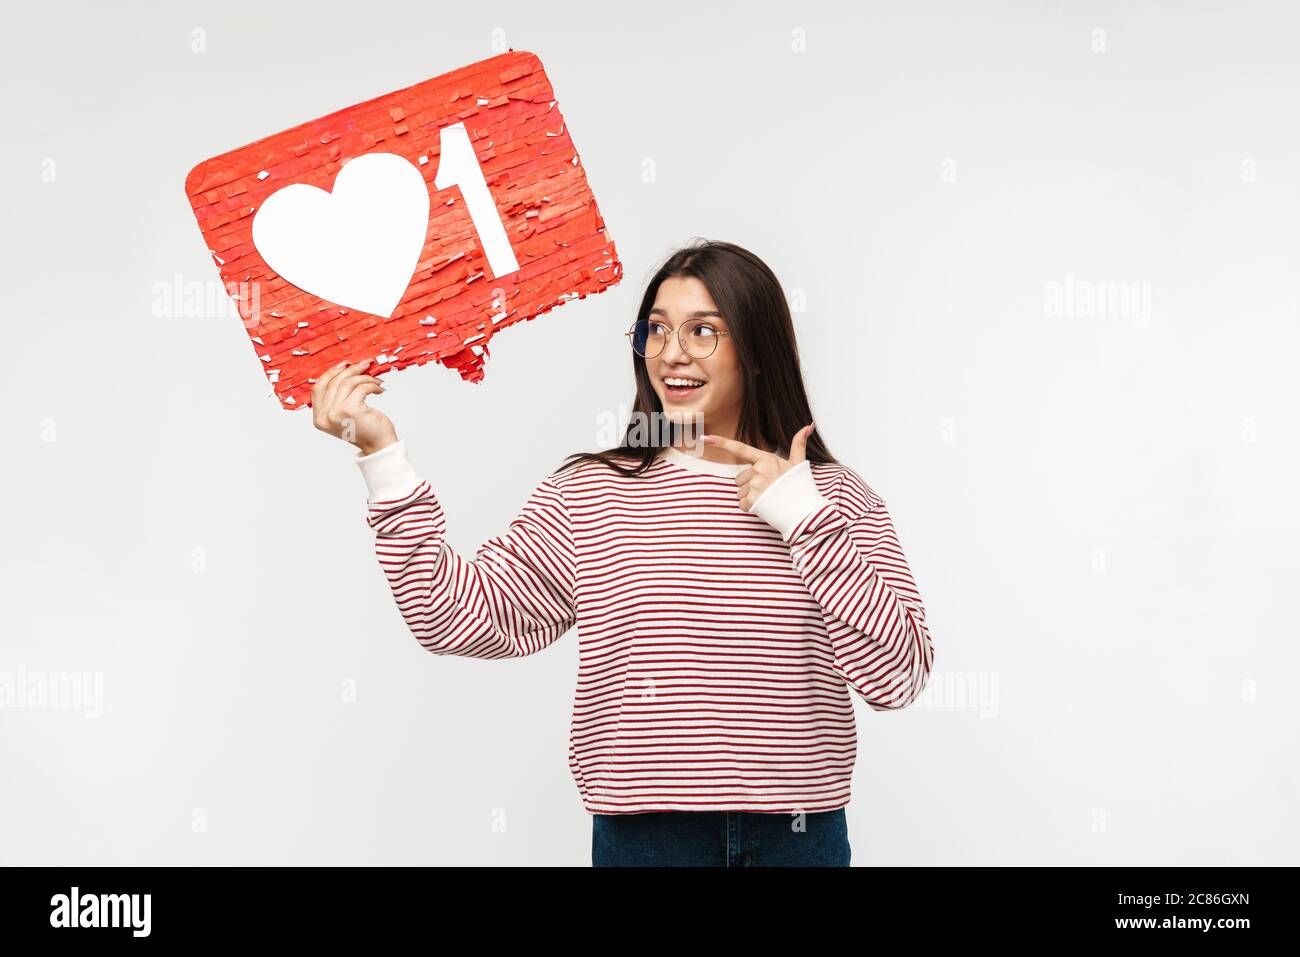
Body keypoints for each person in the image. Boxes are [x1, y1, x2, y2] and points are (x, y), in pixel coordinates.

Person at [311, 239, 935, 866]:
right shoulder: (591, 492)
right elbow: (453, 616)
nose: (672, 354)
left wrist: (806, 520)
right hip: (647, 841)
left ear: (758, 350)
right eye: (656, 330)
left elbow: (899, 676)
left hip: (801, 837)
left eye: (703, 332)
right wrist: (381, 455)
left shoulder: (832, 498)